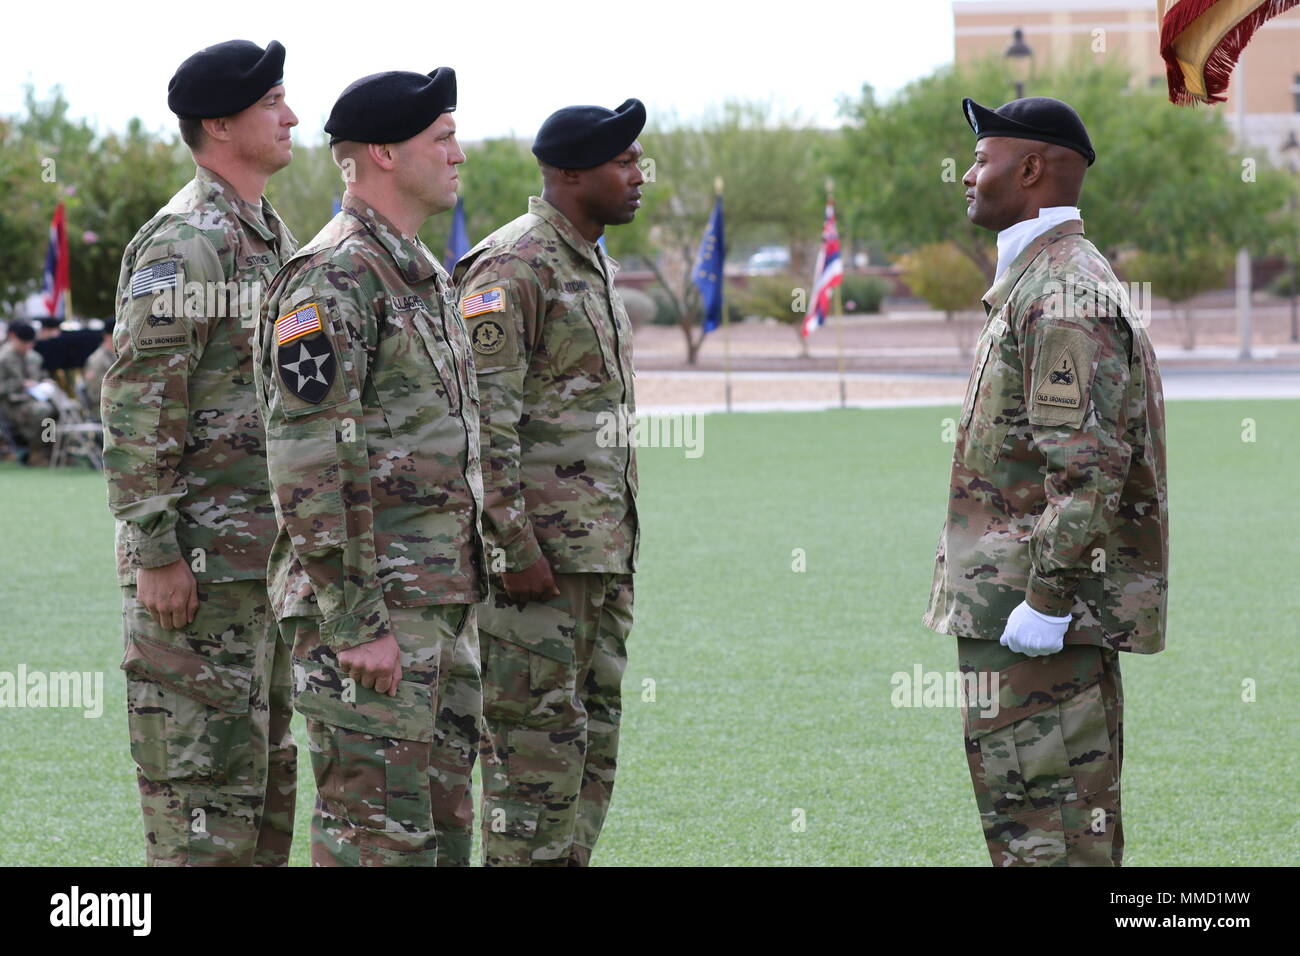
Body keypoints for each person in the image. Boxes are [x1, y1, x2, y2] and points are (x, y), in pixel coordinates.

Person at [924, 96, 1168, 867]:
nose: (968, 175)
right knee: (1036, 832)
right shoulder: (1039, 279)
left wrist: (1046, 602)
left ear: (1030, 170)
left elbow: (1087, 472)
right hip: (1021, 615)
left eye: (983, 159)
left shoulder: (1062, 292)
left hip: (1040, 626)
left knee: (1052, 841)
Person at [254, 67, 487, 867]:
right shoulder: (334, 278)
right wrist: (356, 623)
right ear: (384, 153)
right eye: (443, 138)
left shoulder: (417, 270)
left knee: (441, 837)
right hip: (372, 621)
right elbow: (310, 459)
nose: (460, 153)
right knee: (375, 844)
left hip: (436, 610)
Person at [101, 38, 299, 866]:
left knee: (262, 814)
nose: (291, 116)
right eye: (272, 103)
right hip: (197, 579)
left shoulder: (266, 232)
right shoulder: (186, 241)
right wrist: (156, 551)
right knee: (199, 825)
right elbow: (138, 401)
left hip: (263, 573)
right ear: (220, 122)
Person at [453, 98, 644, 866]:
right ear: (569, 172)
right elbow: (481, 427)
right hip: (537, 572)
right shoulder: (512, 267)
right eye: (622, 163)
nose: (638, 177)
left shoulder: (590, 261)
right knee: (531, 767)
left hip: (598, 558)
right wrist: (512, 547)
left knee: (589, 752)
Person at [0, 321, 56, 465]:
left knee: (58, 409)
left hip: (36, 399)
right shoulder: (3, 358)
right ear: (16, 339)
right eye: (24, 343)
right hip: (12, 404)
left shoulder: (34, 357)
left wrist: (46, 381)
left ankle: (51, 450)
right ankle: (36, 451)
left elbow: (41, 376)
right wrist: (20, 384)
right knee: (43, 411)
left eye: (30, 343)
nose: (28, 347)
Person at [82, 319, 115, 418]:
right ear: (108, 336)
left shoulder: (116, 355)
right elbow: (95, 393)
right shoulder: (97, 360)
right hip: (105, 410)